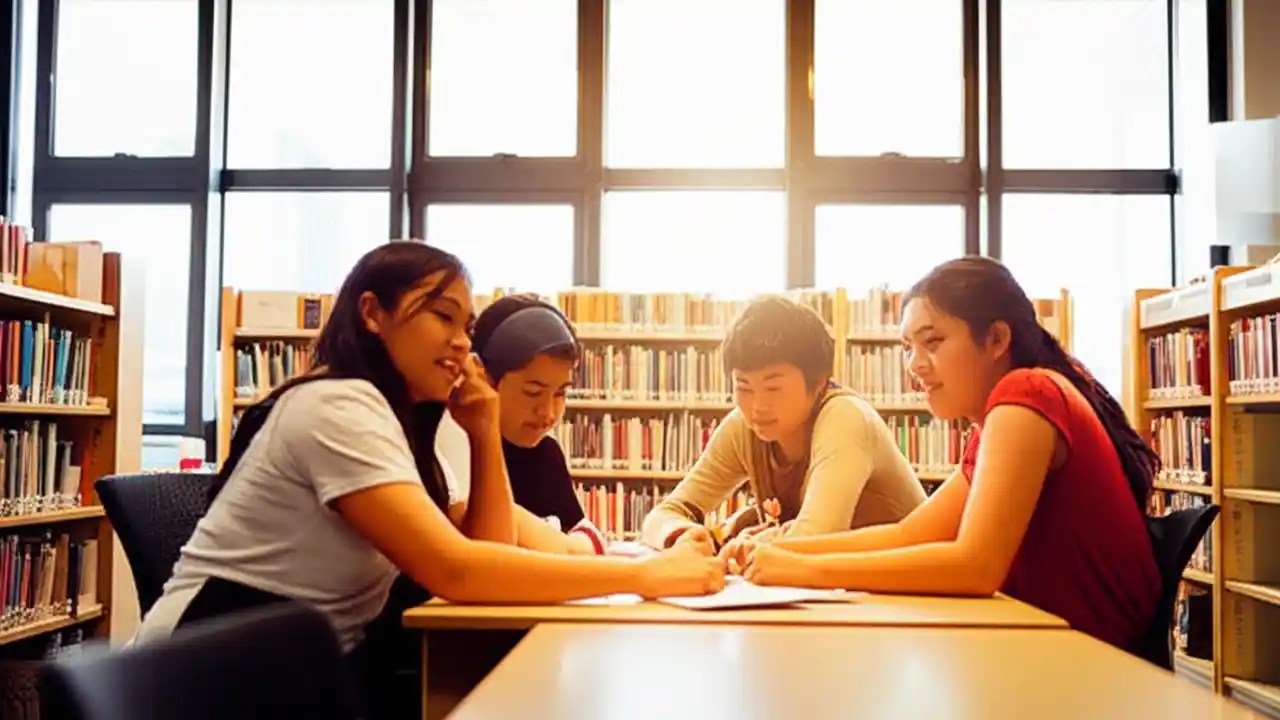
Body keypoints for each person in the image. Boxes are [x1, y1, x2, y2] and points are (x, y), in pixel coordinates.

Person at [134, 242, 724, 714]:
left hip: (291, 672)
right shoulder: (338, 406)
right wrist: (643, 575)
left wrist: (484, 426)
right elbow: (455, 570)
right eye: (442, 316)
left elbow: (486, 553)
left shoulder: (398, 423)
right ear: (373, 314)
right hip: (201, 678)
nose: (462, 340)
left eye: (466, 324)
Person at [731, 256, 1161, 652]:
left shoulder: (1026, 394)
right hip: (1050, 645)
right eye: (907, 346)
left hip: (1092, 663)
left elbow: (974, 567)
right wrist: (788, 551)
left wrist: (803, 572)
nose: (914, 364)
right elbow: (910, 534)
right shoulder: (1000, 417)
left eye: (932, 342)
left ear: (996, 338)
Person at [640, 295, 927, 556]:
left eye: (773, 388)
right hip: (830, 590)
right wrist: (682, 536)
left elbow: (816, 537)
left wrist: (750, 543)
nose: (757, 406)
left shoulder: (844, 417)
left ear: (818, 383)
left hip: (905, 592)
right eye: (744, 386)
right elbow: (664, 513)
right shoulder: (743, 427)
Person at [434, 293, 603, 555]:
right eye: (533, 392)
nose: (547, 412)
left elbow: (583, 544)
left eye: (560, 393)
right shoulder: (455, 453)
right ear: (483, 379)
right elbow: (582, 547)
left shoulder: (547, 455)